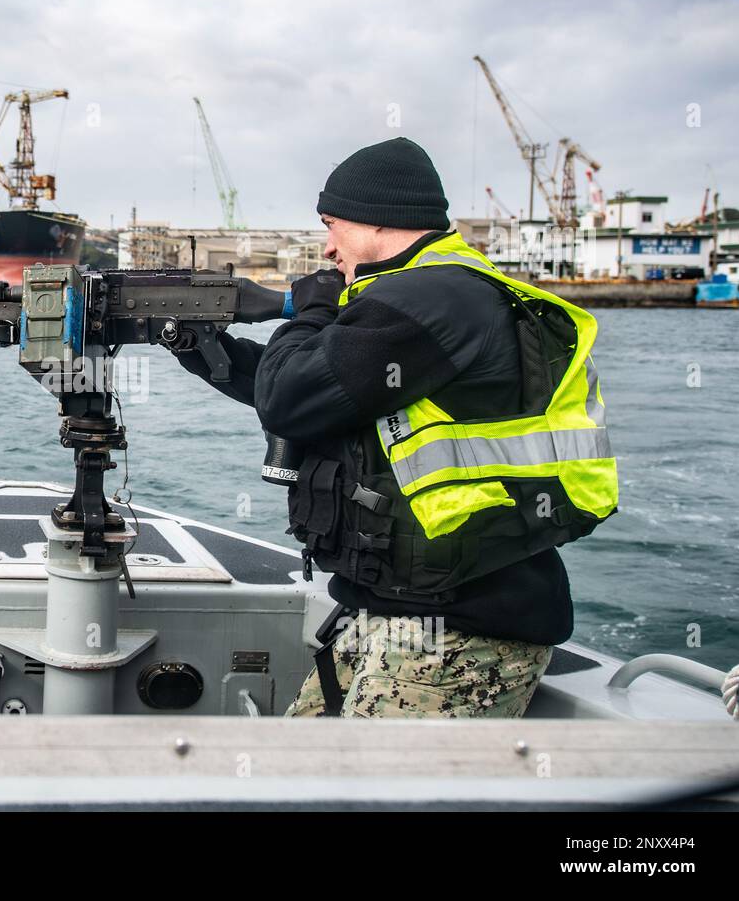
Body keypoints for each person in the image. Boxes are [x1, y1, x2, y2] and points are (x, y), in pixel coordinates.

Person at [174, 137, 618, 718]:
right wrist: (204, 350)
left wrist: (312, 308)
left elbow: (291, 398)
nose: (329, 248)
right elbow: (320, 394)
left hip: (460, 631)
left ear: (376, 218)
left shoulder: (434, 296)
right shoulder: (422, 292)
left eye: (332, 225)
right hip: (393, 611)